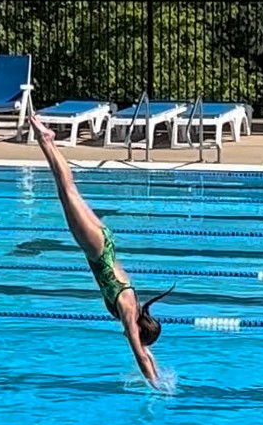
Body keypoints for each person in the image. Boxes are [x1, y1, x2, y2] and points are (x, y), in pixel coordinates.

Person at [29, 114, 171, 385]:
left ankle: (48, 142)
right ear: (139, 331)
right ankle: (46, 141)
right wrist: (155, 386)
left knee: (68, 189)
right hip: (96, 250)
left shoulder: (135, 306)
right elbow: (140, 355)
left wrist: (159, 371)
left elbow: (146, 354)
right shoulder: (128, 312)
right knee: (65, 191)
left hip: (105, 242)